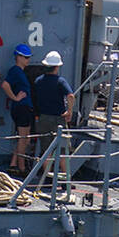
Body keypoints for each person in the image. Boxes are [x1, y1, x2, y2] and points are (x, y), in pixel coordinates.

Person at [32, 50, 75, 180]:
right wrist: (69, 111)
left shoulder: (38, 81)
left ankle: (47, 178)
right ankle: (65, 181)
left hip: (43, 118)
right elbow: (71, 96)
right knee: (62, 151)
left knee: (46, 151)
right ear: (57, 67)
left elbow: (35, 98)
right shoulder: (60, 81)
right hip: (58, 120)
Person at [1, 44, 34, 173]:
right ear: (18, 57)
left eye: (28, 57)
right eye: (25, 57)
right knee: (23, 138)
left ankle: (14, 163)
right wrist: (15, 98)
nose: (28, 60)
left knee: (25, 138)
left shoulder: (19, 72)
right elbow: (5, 85)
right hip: (22, 108)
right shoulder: (15, 71)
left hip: (23, 108)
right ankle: (22, 168)